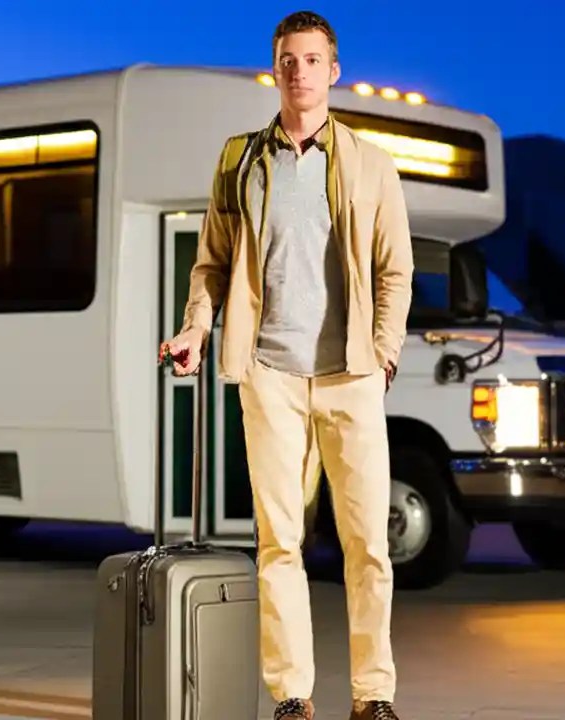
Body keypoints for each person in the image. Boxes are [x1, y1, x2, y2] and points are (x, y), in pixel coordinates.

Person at [159, 10, 413, 720]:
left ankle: (374, 696)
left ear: (334, 71)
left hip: (351, 375)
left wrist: (385, 353)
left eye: (311, 58)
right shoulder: (240, 159)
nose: (298, 70)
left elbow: (396, 270)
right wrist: (195, 330)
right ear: (276, 69)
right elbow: (210, 264)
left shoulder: (370, 162)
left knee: (368, 545)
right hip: (269, 373)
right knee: (280, 543)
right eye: (287, 58)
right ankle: (293, 696)